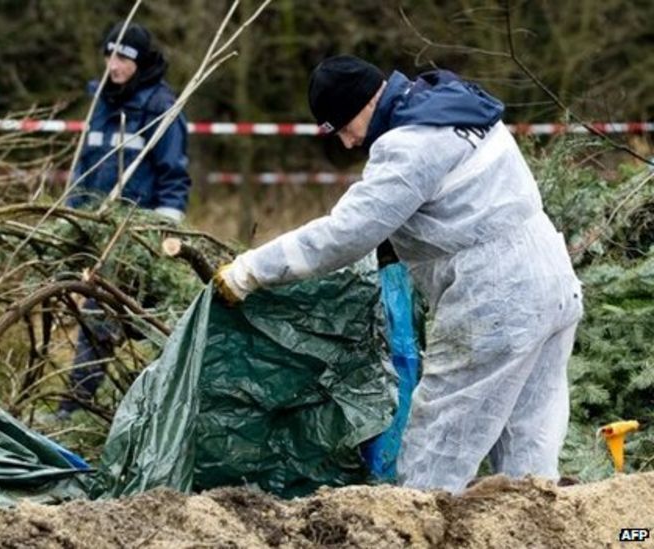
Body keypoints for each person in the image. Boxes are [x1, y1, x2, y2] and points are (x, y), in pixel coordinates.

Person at [214, 54, 583, 493]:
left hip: (495, 298)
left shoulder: (410, 144)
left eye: (341, 129)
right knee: (531, 449)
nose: (349, 144)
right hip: (552, 279)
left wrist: (251, 270)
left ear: (362, 104)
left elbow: (345, 234)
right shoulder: (455, 106)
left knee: (436, 452)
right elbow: (456, 205)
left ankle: (413, 535)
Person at [60, 22, 192, 416]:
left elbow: (174, 175)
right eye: (109, 55)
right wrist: (73, 220)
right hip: (101, 230)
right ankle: (89, 405)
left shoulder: (159, 107)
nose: (112, 65)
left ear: (139, 62)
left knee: (119, 321)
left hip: (137, 235)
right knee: (105, 318)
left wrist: (161, 232)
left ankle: (79, 408)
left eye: (123, 58)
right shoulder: (100, 103)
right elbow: (85, 168)